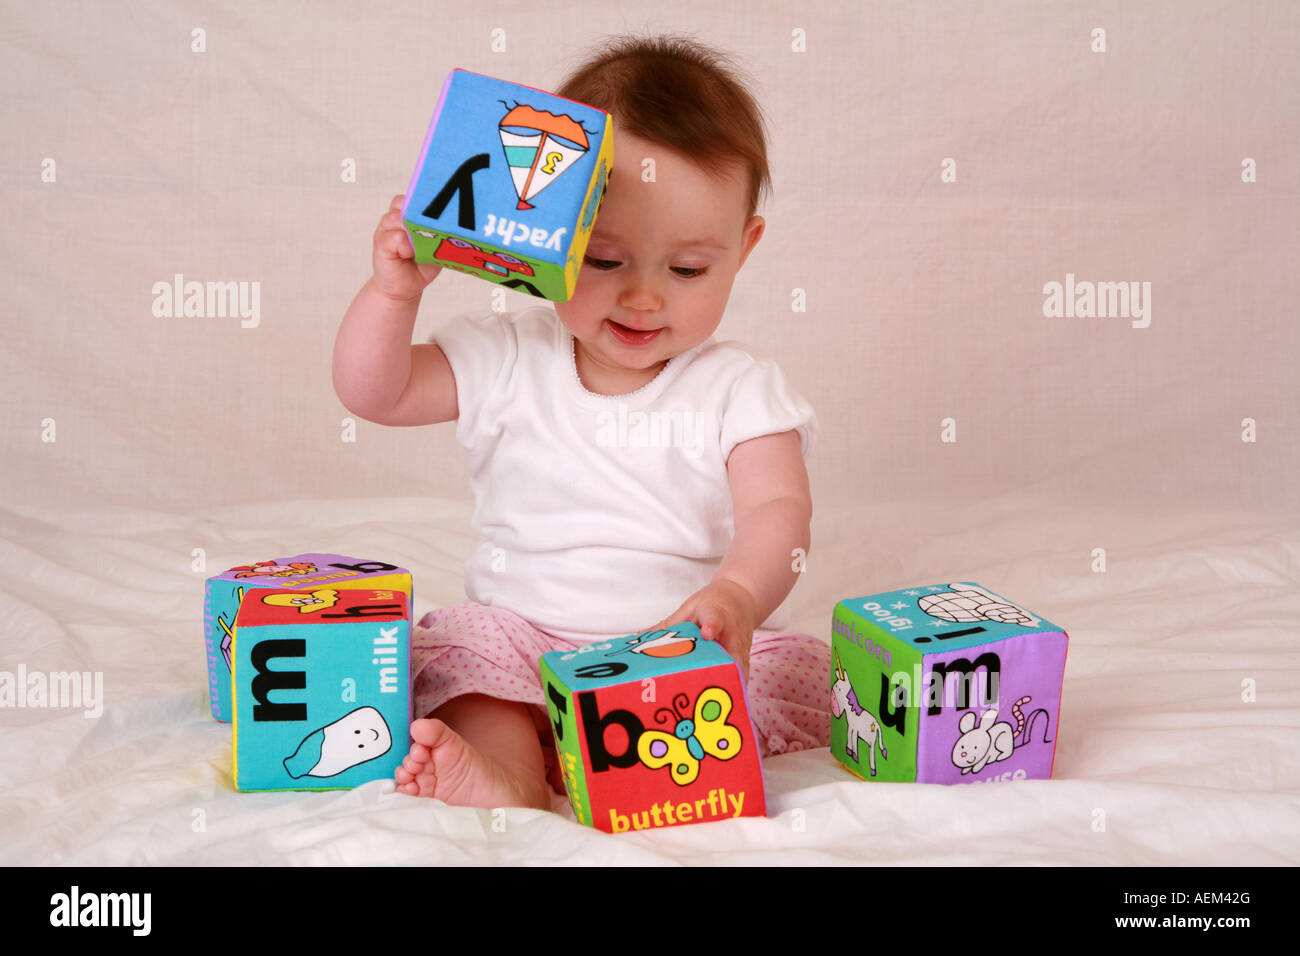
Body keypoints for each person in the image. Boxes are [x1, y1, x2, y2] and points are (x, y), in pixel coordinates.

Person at [333, 33, 830, 812]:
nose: (642, 297)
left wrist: (737, 595)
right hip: (526, 641)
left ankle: (611, 756)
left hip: (675, 653)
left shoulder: (738, 387)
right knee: (468, 663)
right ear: (550, 232)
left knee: (782, 673)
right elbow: (378, 393)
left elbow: (780, 510)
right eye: (603, 260)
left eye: (688, 269)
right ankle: (511, 775)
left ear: (744, 249)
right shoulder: (506, 354)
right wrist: (395, 294)